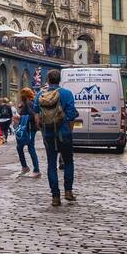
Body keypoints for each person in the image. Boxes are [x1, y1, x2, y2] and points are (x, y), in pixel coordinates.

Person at [34, 69, 79, 206]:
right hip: (64, 133)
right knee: (68, 162)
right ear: (60, 80)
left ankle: (55, 197)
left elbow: (36, 116)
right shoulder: (67, 94)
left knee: (51, 164)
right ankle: (68, 192)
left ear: (47, 80)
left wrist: (42, 130)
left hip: (48, 134)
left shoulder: (41, 95)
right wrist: (68, 129)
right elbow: (71, 115)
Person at [15, 87, 40, 177]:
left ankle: (34, 169)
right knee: (24, 147)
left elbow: (31, 116)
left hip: (28, 129)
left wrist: (20, 117)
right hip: (29, 129)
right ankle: (28, 167)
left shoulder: (28, 103)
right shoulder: (29, 103)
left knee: (28, 148)